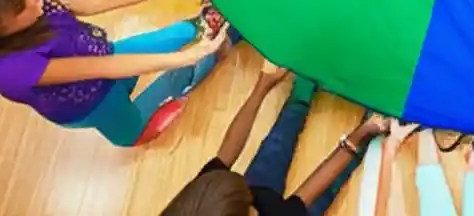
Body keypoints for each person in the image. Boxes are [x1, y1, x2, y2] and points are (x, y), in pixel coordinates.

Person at [0, 0, 230, 146]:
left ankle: (204, 26)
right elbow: (105, 69)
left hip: (101, 57)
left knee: (168, 41)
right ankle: (198, 65)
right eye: (24, 5)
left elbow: (71, 3)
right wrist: (187, 58)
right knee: (130, 134)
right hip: (90, 101)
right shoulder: (9, 69)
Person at [163, 62, 387, 215]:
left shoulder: (200, 203)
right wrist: (362, 132)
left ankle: (298, 101)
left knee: (275, 146)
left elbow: (225, 154)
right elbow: (308, 193)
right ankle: (372, 128)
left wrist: (262, 86)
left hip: (263, 199)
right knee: (328, 188)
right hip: (282, 209)